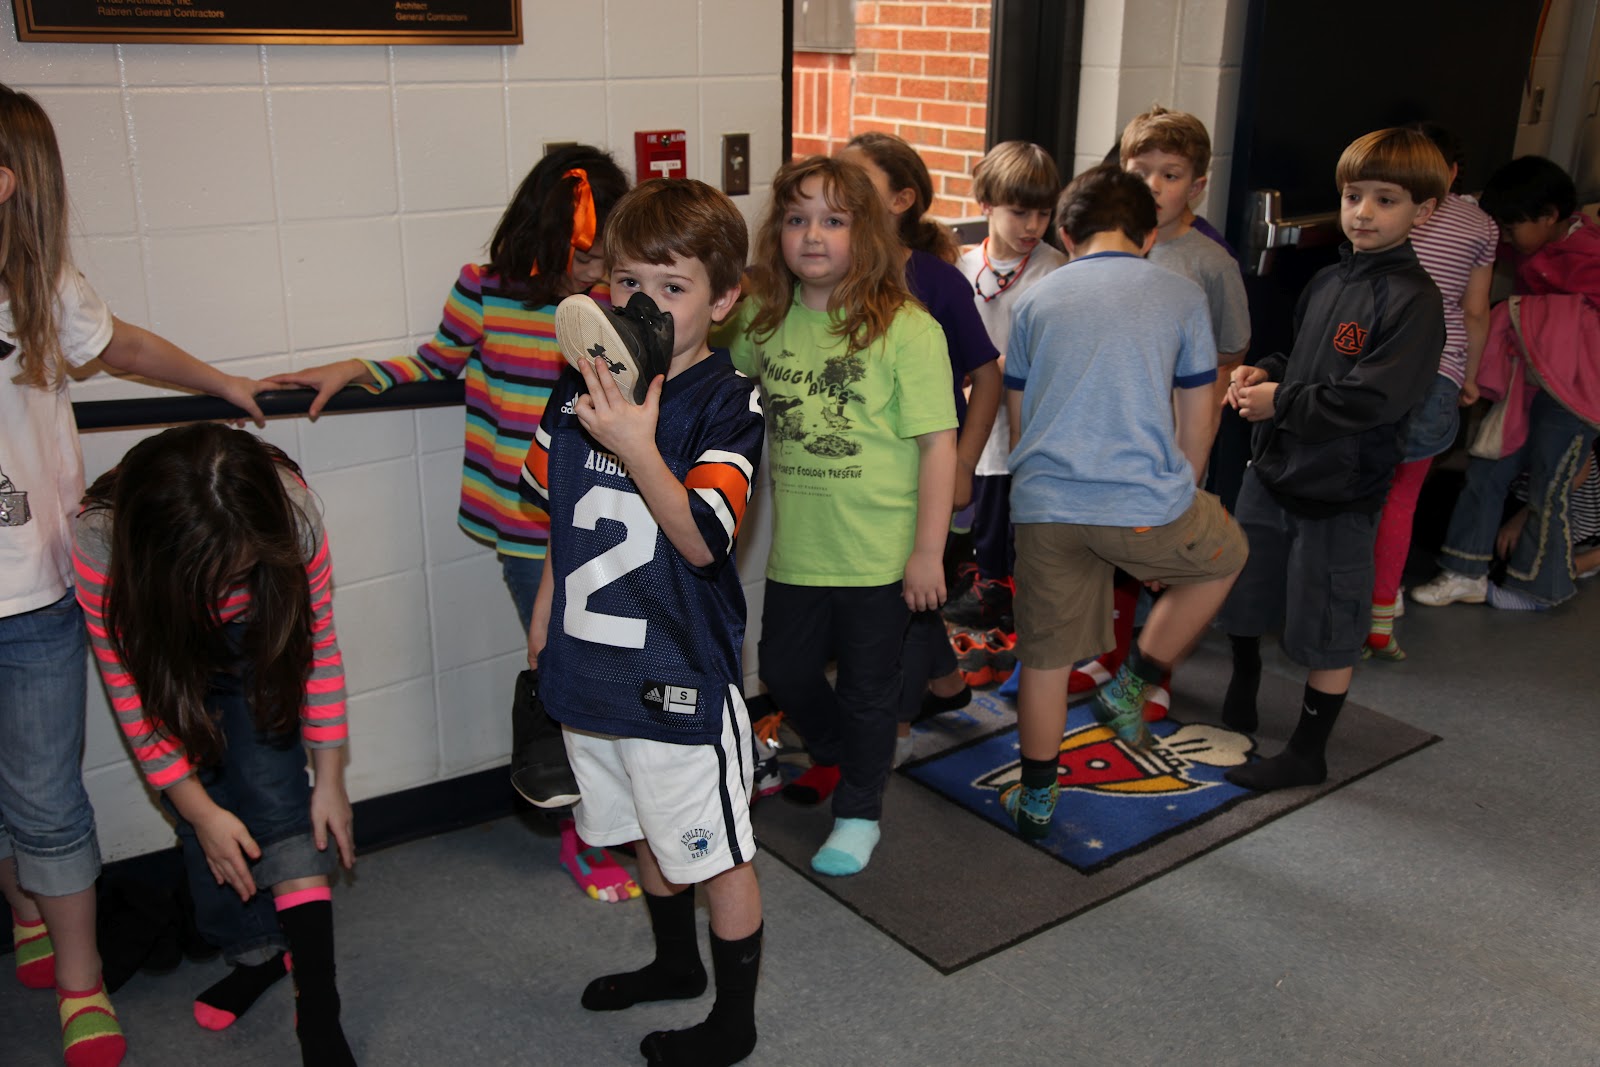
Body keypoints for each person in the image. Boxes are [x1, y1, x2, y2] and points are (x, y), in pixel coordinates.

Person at [271, 146, 643, 902]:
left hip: (609, 516)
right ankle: (585, 831)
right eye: (583, 255)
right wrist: (357, 369)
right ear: (543, 235)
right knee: (561, 673)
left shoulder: (622, 306)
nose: (592, 271)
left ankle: (627, 812)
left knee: (613, 669)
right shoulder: (486, 292)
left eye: (606, 256)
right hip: (526, 527)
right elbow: (436, 362)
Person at [0, 82, 272, 1067]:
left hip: (29, 586)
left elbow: (123, 344)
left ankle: (81, 980)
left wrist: (218, 382)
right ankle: (27, 912)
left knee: (43, 790)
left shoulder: (43, 286)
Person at [520, 178, 765, 1067]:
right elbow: (559, 515)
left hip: (680, 672)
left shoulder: (728, 402)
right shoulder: (579, 385)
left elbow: (704, 540)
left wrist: (635, 441)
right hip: (592, 664)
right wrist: (546, 622)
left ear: (724, 298)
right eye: (627, 284)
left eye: (672, 287)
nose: (643, 306)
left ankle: (733, 1021)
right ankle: (674, 964)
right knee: (640, 831)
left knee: (716, 850)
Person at [74, 425, 356, 1066]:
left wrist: (332, 775)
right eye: (211, 575)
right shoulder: (99, 544)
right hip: (163, 643)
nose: (223, 588)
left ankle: (318, 1007)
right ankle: (256, 956)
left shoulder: (294, 516)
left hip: (262, 641)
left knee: (277, 800)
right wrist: (199, 811)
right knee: (203, 820)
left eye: (241, 567)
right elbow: (131, 696)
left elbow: (320, 651)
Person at [725, 155, 957, 875]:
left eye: (833, 220)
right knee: (787, 674)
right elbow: (714, 380)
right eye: (797, 219)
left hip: (882, 555)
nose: (813, 236)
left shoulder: (908, 328)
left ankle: (859, 809)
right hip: (800, 552)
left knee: (868, 693)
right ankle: (844, 755)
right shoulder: (763, 323)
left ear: (868, 233)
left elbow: (939, 446)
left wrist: (928, 552)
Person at [999, 164, 1246, 839]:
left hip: (1046, 502)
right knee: (1226, 554)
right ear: (1146, 234)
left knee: (1045, 659)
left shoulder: (1036, 299)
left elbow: (1019, 416)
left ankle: (1040, 801)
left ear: (1066, 232)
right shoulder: (1178, 292)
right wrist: (1184, 494)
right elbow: (1199, 416)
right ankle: (1133, 679)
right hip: (1143, 500)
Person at [1220, 128, 1449, 792]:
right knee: (1247, 582)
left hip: (1340, 486)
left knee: (1329, 615)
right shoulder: (1329, 279)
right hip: (1274, 469)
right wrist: (1263, 371)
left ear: (1424, 211)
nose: (1364, 213)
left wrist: (1278, 402)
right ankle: (1244, 681)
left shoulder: (1414, 299)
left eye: (1386, 200)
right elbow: (1305, 363)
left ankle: (1308, 749)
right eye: (1354, 196)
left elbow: (1368, 399)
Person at [1073, 106, 1252, 720]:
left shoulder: (1210, 264)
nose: (1153, 185)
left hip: (1173, 440)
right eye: (1139, 170)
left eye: (1170, 174)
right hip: (1108, 431)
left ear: (1197, 185)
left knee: (1166, 557)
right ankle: (1107, 652)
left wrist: (1191, 441)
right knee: (1110, 552)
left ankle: (1152, 673)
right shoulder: (1105, 248)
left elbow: (1229, 354)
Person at [836, 132, 1000, 761]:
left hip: (925, 476)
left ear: (902, 200)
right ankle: (949, 682)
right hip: (857, 481)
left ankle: (895, 732)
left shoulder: (933, 280)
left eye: (859, 186)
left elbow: (986, 375)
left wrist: (963, 463)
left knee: (900, 602)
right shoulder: (825, 272)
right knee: (905, 598)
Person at [1410, 155, 1600, 612]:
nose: (1506, 241)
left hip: (1574, 395)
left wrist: (1520, 314)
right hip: (1527, 383)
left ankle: (1540, 588)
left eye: (1512, 230)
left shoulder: (1591, 256)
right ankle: (1464, 570)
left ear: (1549, 217)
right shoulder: (1530, 244)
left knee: (1548, 489)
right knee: (1487, 469)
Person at [1363, 123, 1497, 658]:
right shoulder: (1482, 224)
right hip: (1438, 370)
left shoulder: (1381, 208)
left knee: (1363, 489)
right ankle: (1384, 601)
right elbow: (1475, 310)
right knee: (1402, 497)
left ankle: (1352, 597)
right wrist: (1469, 375)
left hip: (1378, 370)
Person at [954, 140, 1068, 681]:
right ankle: (970, 644)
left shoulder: (1054, 271)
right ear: (986, 205)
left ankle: (1010, 642)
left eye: (1043, 212)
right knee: (966, 537)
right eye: (1020, 211)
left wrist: (992, 368)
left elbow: (1053, 353)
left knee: (1005, 544)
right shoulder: (960, 265)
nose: (1032, 224)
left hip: (1019, 433)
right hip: (967, 431)